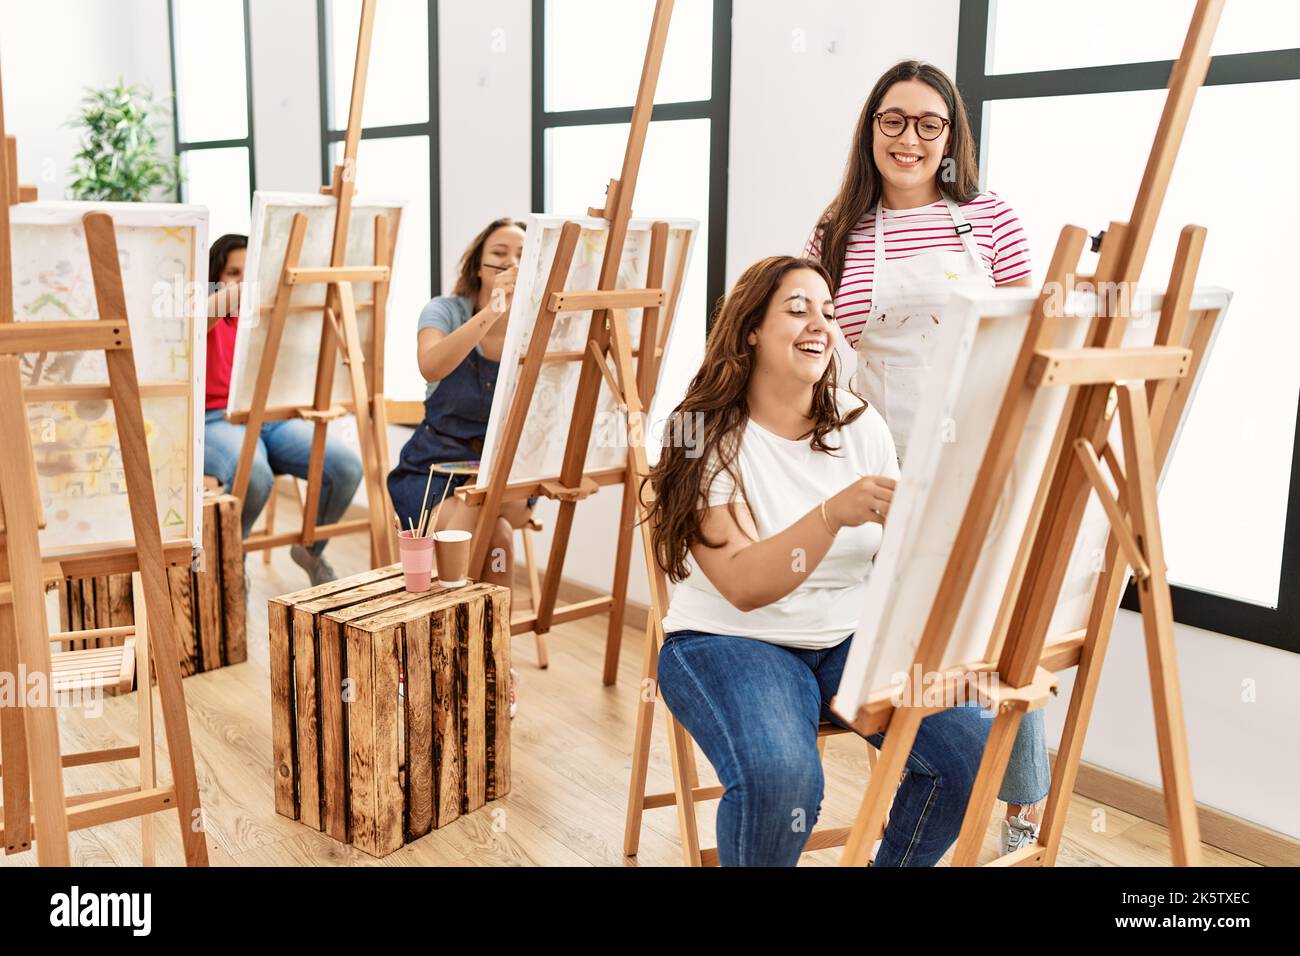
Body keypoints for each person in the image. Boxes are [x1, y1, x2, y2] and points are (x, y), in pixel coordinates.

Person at [646, 255, 996, 866]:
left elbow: (898, 556)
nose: (820, 324)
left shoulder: (860, 424)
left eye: (828, 312)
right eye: (798, 308)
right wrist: (832, 514)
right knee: (785, 784)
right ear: (751, 327)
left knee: (968, 748)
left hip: (848, 637)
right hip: (729, 640)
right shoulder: (701, 434)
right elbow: (746, 585)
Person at [806, 60, 1046, 853]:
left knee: (996, 624)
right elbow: (821, 352)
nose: (909, 139)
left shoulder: (990, 218)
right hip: (880, 456)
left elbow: (1030, 337)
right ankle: (938, 778)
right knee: (911, 637)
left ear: (951, 135)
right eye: (893, 121)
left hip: (980, 449)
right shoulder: (839, 230)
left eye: (928, 124)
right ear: (871, 129)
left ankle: (1016, 804)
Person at [387, 218, 535, 717]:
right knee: (478, 532)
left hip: (495, 469)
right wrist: (491, 314)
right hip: (431, 466)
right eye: (499, 254)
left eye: (522, 255)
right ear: (477, 263)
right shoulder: (444, 311)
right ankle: (474, 661)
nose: (511, 264)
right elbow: (431, 366)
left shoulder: (535, 323)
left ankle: (457, 658)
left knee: (490, 530)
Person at [202, 234, 363, 585]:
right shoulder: (202, 311)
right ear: (215, 278)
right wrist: (242, 291)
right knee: (255, 478)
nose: (242, 281)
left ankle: (310, 551)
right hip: (215, 420)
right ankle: (231, 567)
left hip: (271, 419)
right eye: (233, 272)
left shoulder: (269, 316)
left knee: (346, 467)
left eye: (251, 273)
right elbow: (201, 317)